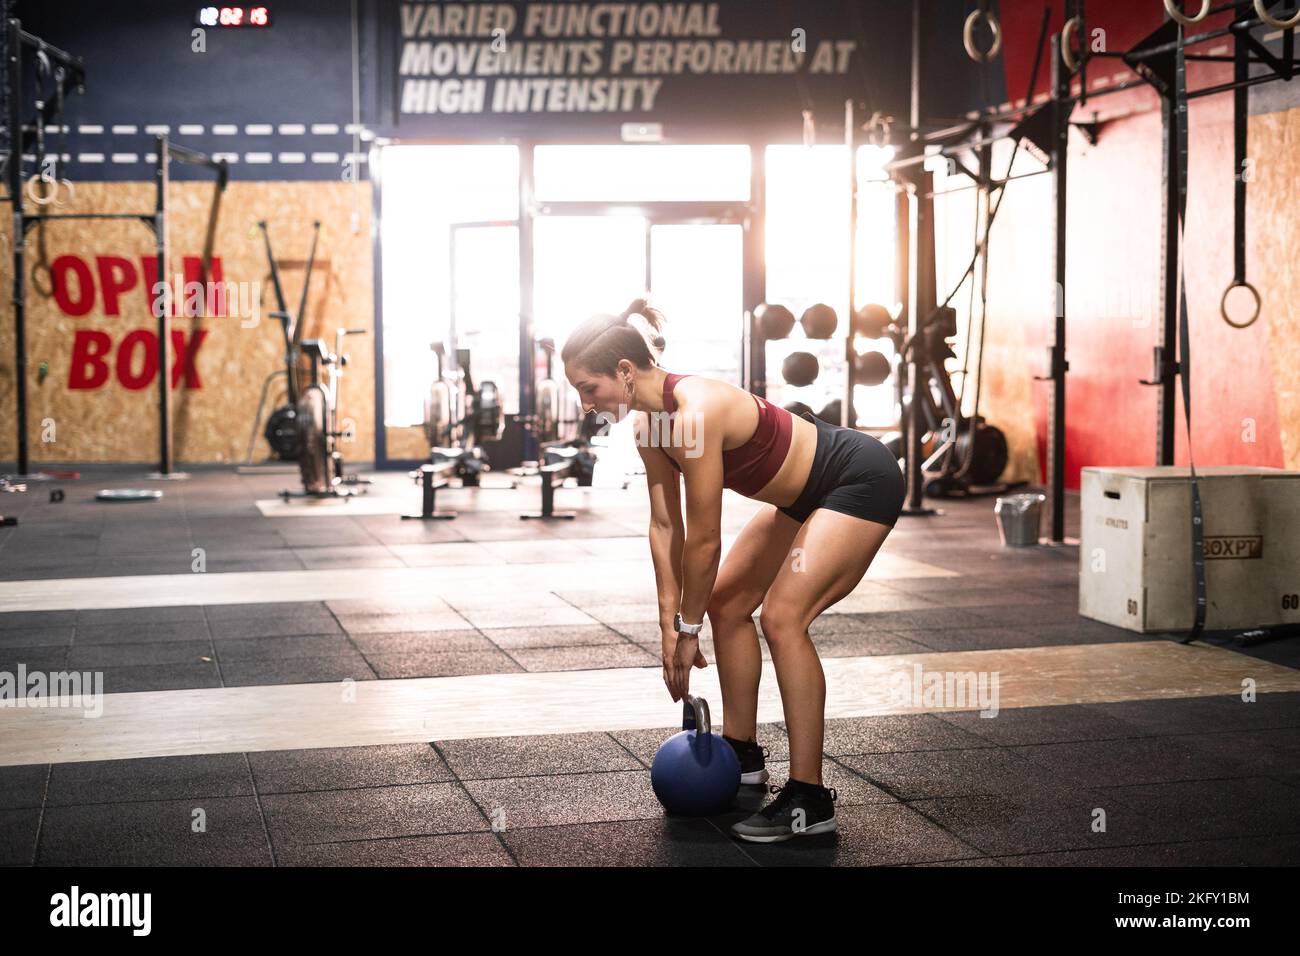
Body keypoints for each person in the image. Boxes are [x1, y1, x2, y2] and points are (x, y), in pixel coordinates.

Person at [561, 297, 905, 842]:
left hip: (856, 477)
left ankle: (810, 799)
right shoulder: (648, 426)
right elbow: (665, 527)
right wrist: (670, 626)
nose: (585, 404)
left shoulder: (693, 412)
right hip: (802, 496)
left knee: (783, 617)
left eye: (588, 388)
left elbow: (704, 538)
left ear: (624, 371)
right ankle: (742, 753)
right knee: (727, 604)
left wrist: (688, 630)